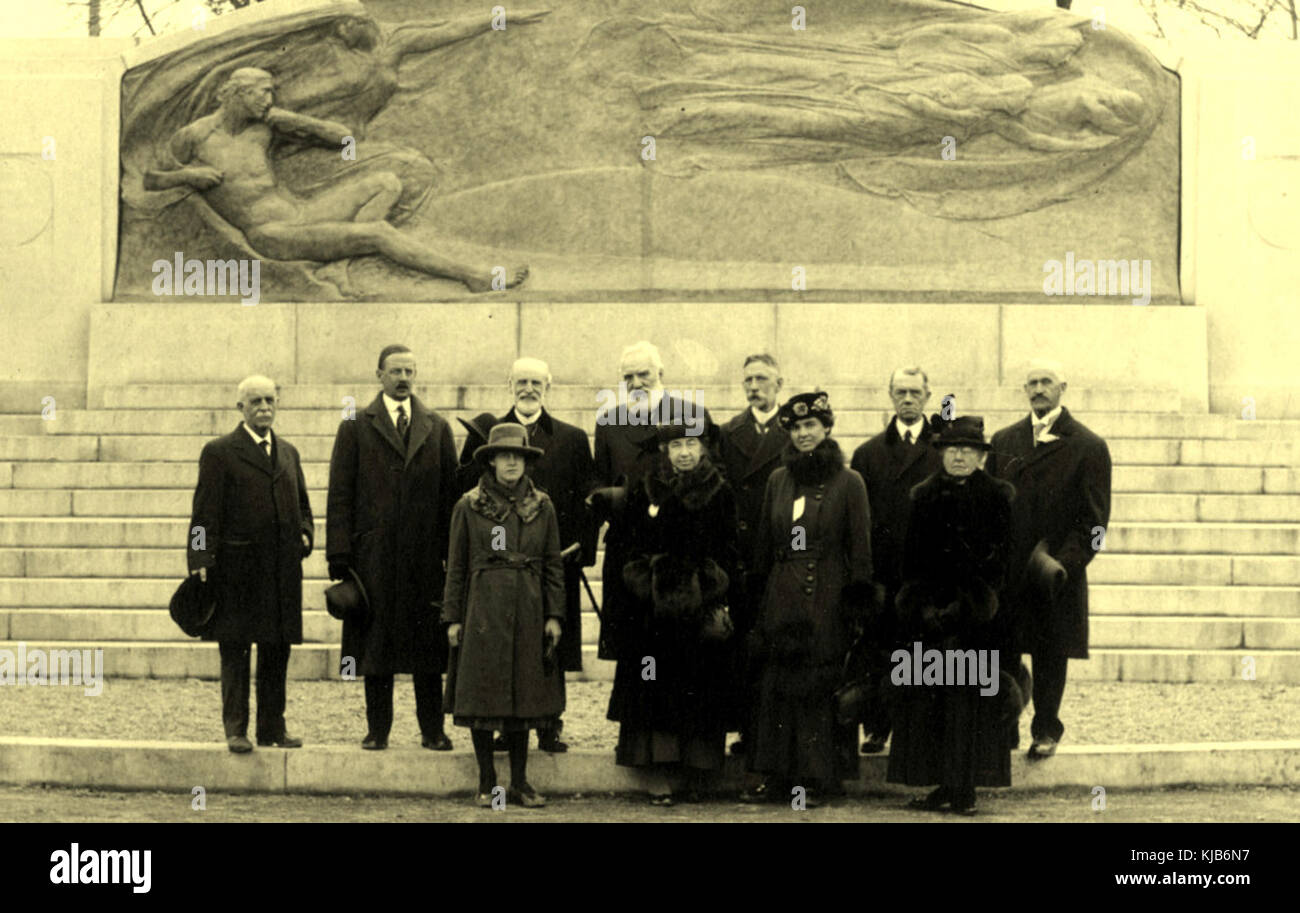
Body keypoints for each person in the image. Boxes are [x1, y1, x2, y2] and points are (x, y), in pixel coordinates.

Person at [144, 68, 527, 292]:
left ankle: (338, 264)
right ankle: (473, 276)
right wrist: (188, 174)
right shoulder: (195, 137)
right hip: (271, 232)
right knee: (376, 233)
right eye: (261, 94)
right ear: (237, 95)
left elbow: (343, 138)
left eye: (271, 93)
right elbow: (150, 179)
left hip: (302, 212)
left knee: (387, 182)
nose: (268, 99)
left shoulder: (265, 128)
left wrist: (290, 120)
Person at [455, 357, 597, 752]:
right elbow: (467, 487)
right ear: (510, 385)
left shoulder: (570, 437)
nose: (529, 388)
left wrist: (581, 545)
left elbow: (589, 498)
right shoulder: (488, 434)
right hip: (500, 568)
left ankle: (550, 722)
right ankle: (503, 721)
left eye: (536, 382)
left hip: (552, 561)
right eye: (522, 382)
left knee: (550, 644)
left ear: (548, 386)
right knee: (504, 645)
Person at [743, 392, 875, 807]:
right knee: (777, 685)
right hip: (782, 591)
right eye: (796, 428)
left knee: (817, 687)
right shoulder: (778, 480)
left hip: (827, 593)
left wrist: (855, 606)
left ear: (826, 428)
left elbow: (861, 550)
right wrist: (758, 598)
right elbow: (764, 544)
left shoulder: (849, 482)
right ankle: (775, 777)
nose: (803, 434)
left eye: (811, 426)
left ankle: (814, 780)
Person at [326, 344, 460, 751]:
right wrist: (340, 555)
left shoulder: (436, 427)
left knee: (427, 651)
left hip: (423, 558)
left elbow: (451, 495)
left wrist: (449, 555)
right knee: (375, 648)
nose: (403, 378)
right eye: (396, 371)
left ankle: (432, 730)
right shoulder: (355, 425)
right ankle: (377, 729)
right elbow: (340, 493)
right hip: (374, 558)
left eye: (409, 371)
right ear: (379, 375)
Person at [886, 415, 1017, 815]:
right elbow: (909, 561)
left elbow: (1004, 561)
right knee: (933, 703)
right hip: (928, 621)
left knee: (968, 705)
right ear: (941, 453)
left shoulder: (999, 497)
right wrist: (922, 607)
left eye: (969, 450)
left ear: (981, 457)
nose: (960, 456)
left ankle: (966, 789)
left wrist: (969, 606)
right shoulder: (922, 496)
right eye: (953, 449)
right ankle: (940, 785)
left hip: (977, 622)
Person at [605, 421, 739, 805]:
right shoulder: (646, 488)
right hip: (651, 612)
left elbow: (730, 551)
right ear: (664, 450)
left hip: (701, 608)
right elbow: (627, 548)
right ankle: (659, 772)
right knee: (654, 684)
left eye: (691, 444)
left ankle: (698, 773)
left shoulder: (719, 492)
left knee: (699, 684)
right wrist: (647, 581)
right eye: (675, 445)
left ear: (703, 449)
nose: (683, 452)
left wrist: (707, 583)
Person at [987, 359, 1112, 759]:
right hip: (1008, 570)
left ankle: (1046, 729)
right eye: (1032, 383)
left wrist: (1063, 565)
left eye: (1046, 382)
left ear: (1063, 387)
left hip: (1055, 571)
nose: (1038, 389)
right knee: (1003, 651)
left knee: (1050, 653)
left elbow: (1095, 523)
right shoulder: (1005, 440)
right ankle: (1002, 728)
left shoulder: (1088, 445)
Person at [187, 375, 313, 753]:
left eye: (270, 400)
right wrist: (200, 558)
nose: (264, 407)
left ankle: (272, 728)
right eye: (255, 401)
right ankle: (236, 730)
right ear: (239, 407)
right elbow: (202, 513)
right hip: (237, 571)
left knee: (277, 651)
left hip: (281, 572)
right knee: (236, 651)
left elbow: (303, 506)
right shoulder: (220, 451)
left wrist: (306, 533)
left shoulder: (289, 452)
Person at [443, 423, 566, 808]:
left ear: (527, 462)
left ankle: (520, 782)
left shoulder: (542, 505)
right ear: (491, 460)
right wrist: (453, 618)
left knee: (523, 697)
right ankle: (487, 783)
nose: (511, 462)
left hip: (529, 609)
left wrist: (554, 614)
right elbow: (457, 566)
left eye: (519, 456)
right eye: (504, 455)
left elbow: (552, 565)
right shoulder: (469, 504)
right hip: (482, 609)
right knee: (483, 697)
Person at [589, 341, 713, 661]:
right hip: (628, 549)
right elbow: (597, 478)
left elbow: (712, 477)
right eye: (628, 376)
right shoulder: (608, 422)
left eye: (643, 374)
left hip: (677, 550)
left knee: (677, 646)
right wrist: (611, 498)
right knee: (632, 648)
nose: (636, 383)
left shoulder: (693, 415)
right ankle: (634, 712)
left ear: (661, 373)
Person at [849, 366, 943, 754]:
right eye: (900, 392)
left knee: (920, 652)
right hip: (884, 573)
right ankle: (877, 726)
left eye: (914, 392)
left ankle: (915, 732)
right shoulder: (867, 454)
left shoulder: (943, 450)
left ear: (927, 396)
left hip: (926, 573)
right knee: (879, 649)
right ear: (890, 396)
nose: (907, 399)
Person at [717, 353, 786, 756]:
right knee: (742, 648)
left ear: (780, 383)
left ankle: (771, 734)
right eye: (748, 380)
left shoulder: (795, 431)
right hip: (741, 557)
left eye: (762, 379)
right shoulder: (728, 433)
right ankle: (746, 730)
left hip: (779, 554)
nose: (754, 386)